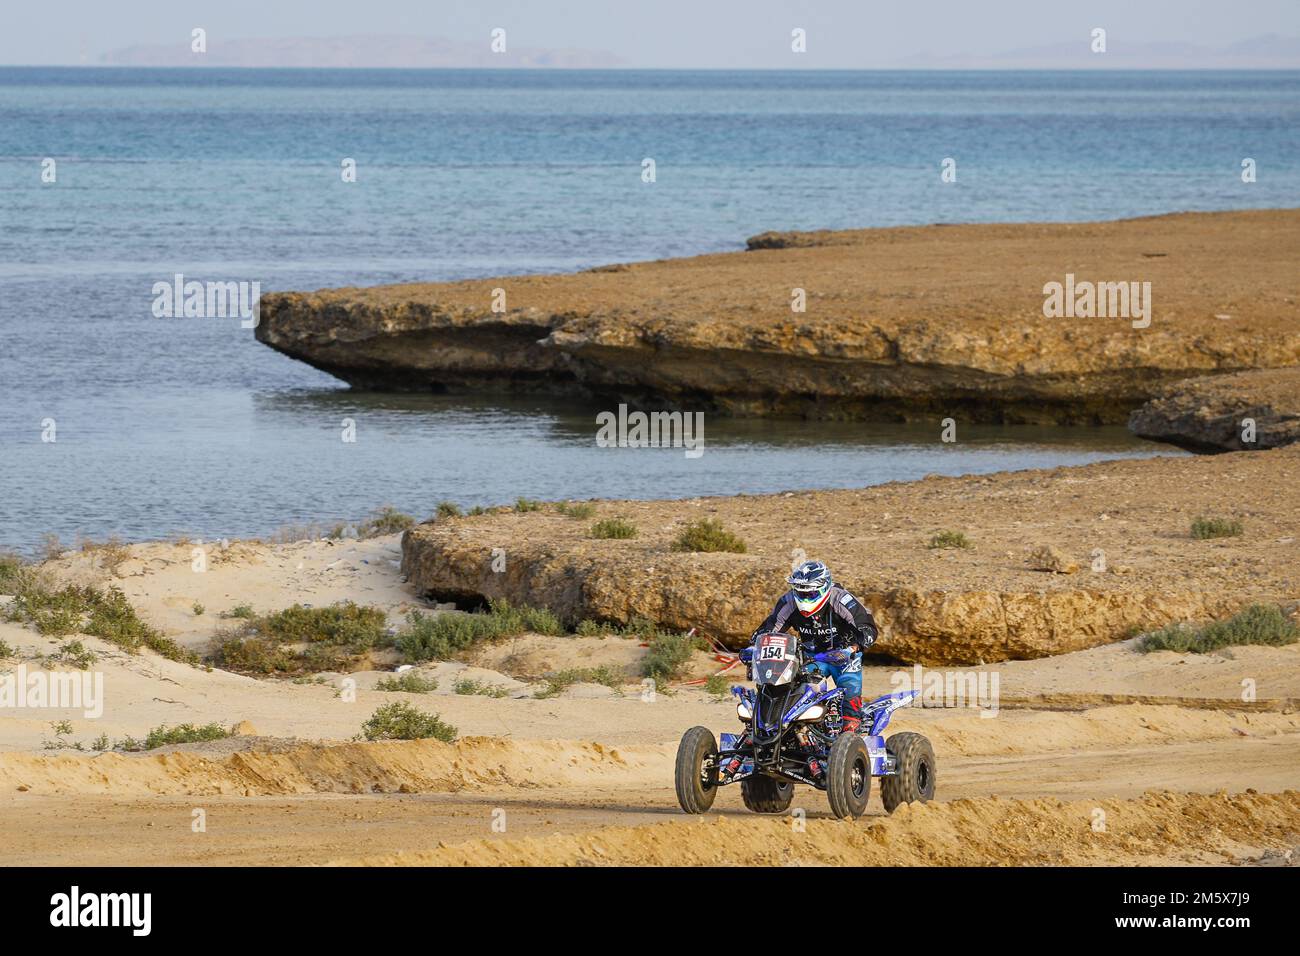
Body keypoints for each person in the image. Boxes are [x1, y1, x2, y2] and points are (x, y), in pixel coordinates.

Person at [747, 560, 878, 732]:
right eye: (800, 593)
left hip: (844, 655)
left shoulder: (842, 600)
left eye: (810, 594)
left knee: (849, 690)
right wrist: (753, 649)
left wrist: (851, 649)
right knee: (793, 691)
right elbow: (769, 630)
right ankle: (784, 728)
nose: (804, 598)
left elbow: (868, 629)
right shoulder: (788, 602)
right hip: (812, 656)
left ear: (824, 589)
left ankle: (851, 729)